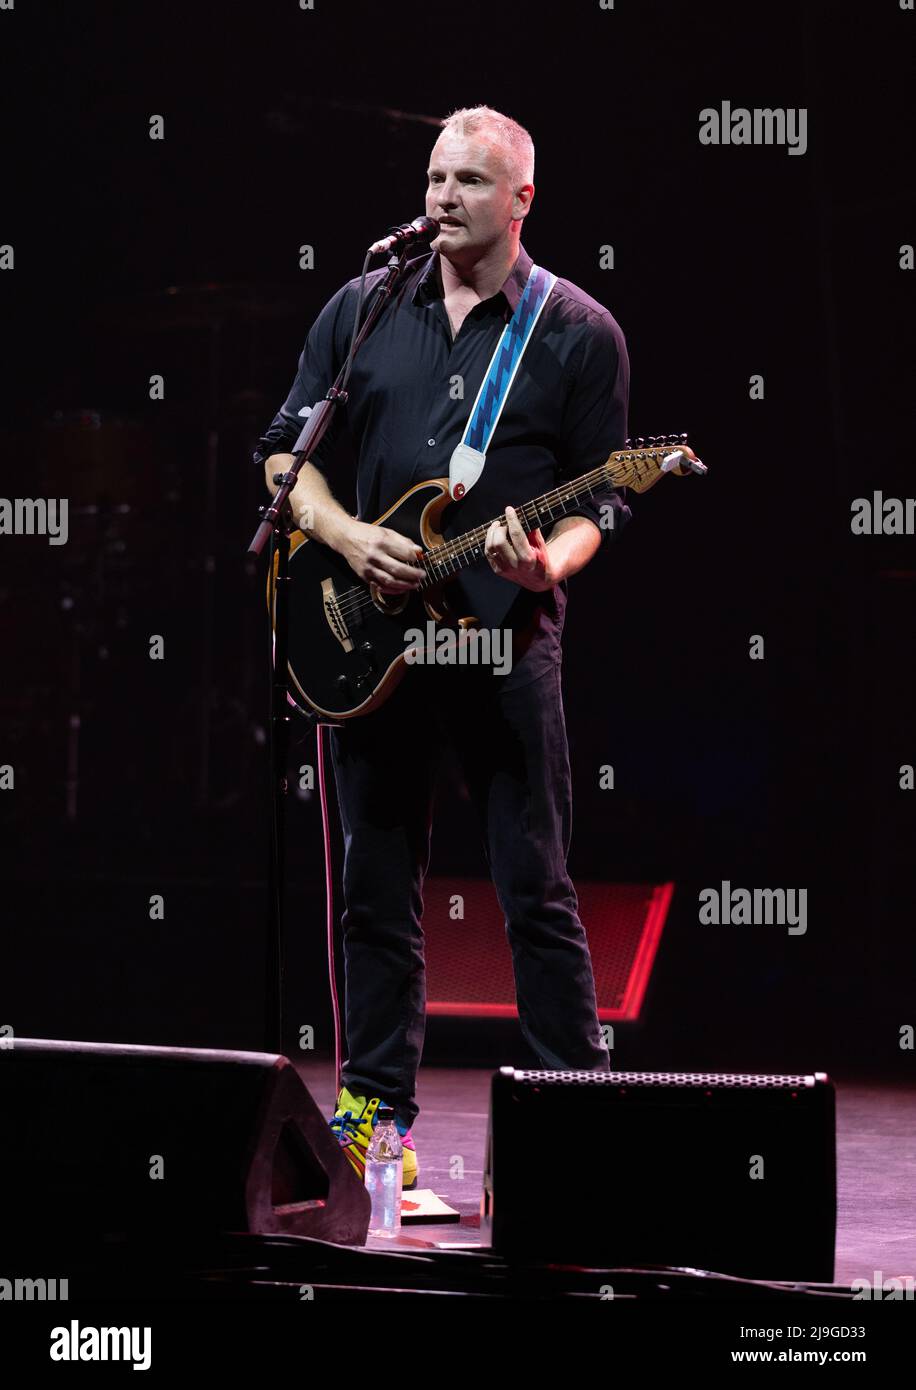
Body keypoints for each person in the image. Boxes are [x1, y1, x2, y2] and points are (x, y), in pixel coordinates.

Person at [256, 105, 631, 1190]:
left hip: (503, 644)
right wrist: (340, 533)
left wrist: (549, 564)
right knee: (374, 890)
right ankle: (374, 1133)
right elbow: (285, 455)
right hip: (367, 644)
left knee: (535, 888)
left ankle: (575, 1131)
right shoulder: (365, 306)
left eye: (468, 181)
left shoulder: (575, 330)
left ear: (521, 200)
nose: (441, 198)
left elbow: (601, 496)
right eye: (433, 177)